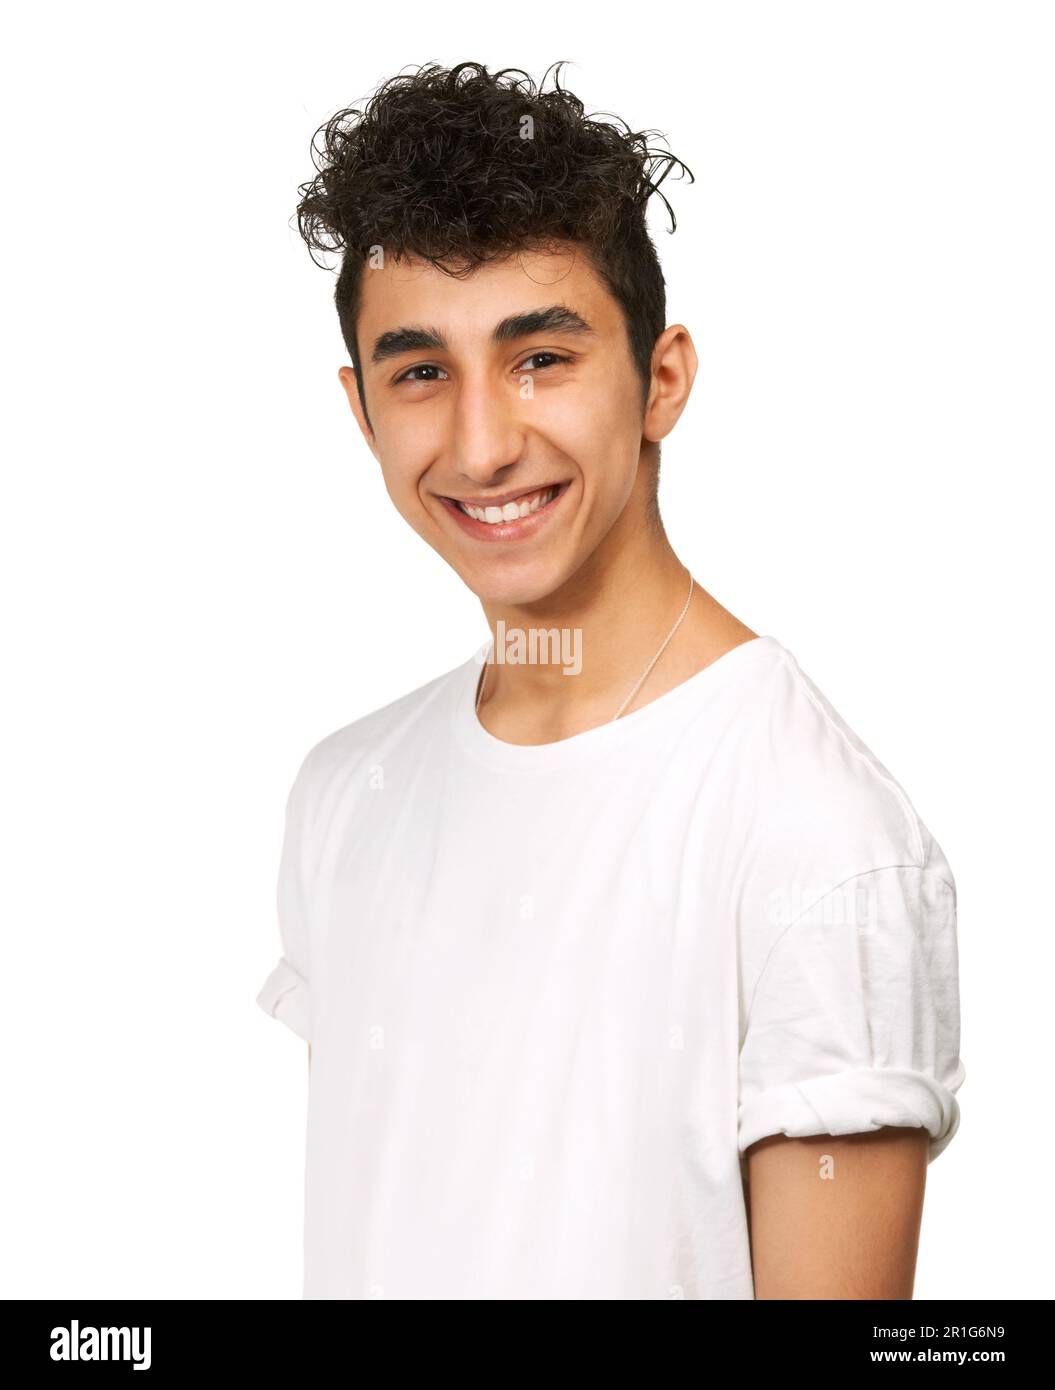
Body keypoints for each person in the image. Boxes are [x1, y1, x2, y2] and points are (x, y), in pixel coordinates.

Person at [256, 61, 964, 1300]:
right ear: (361, 412)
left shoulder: (813, 836)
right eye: (421, 370)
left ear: (662, 379)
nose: (481, 443)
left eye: (540, 357)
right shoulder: (344, 794)